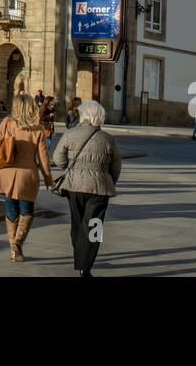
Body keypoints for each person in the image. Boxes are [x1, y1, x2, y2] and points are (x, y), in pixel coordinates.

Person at [51, 99, 121, 277]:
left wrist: (73, 169)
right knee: (94, 226)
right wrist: (108, 180)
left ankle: (79, 257)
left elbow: (58, 159)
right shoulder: (108, 139)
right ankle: (86, 265)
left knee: (77, 223)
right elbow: (116, 167)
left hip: (74, 186)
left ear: (83, 115)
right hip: (99, 189)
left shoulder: (70, 134)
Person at [0, 93, 54, 261]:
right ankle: (18, 242)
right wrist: (48, 179)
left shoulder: (6, 123)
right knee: (26, 211)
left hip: (7, 172)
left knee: (11, 210)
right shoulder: (38, 128)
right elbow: (43, 159)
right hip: (27, 174)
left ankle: (13, 248)